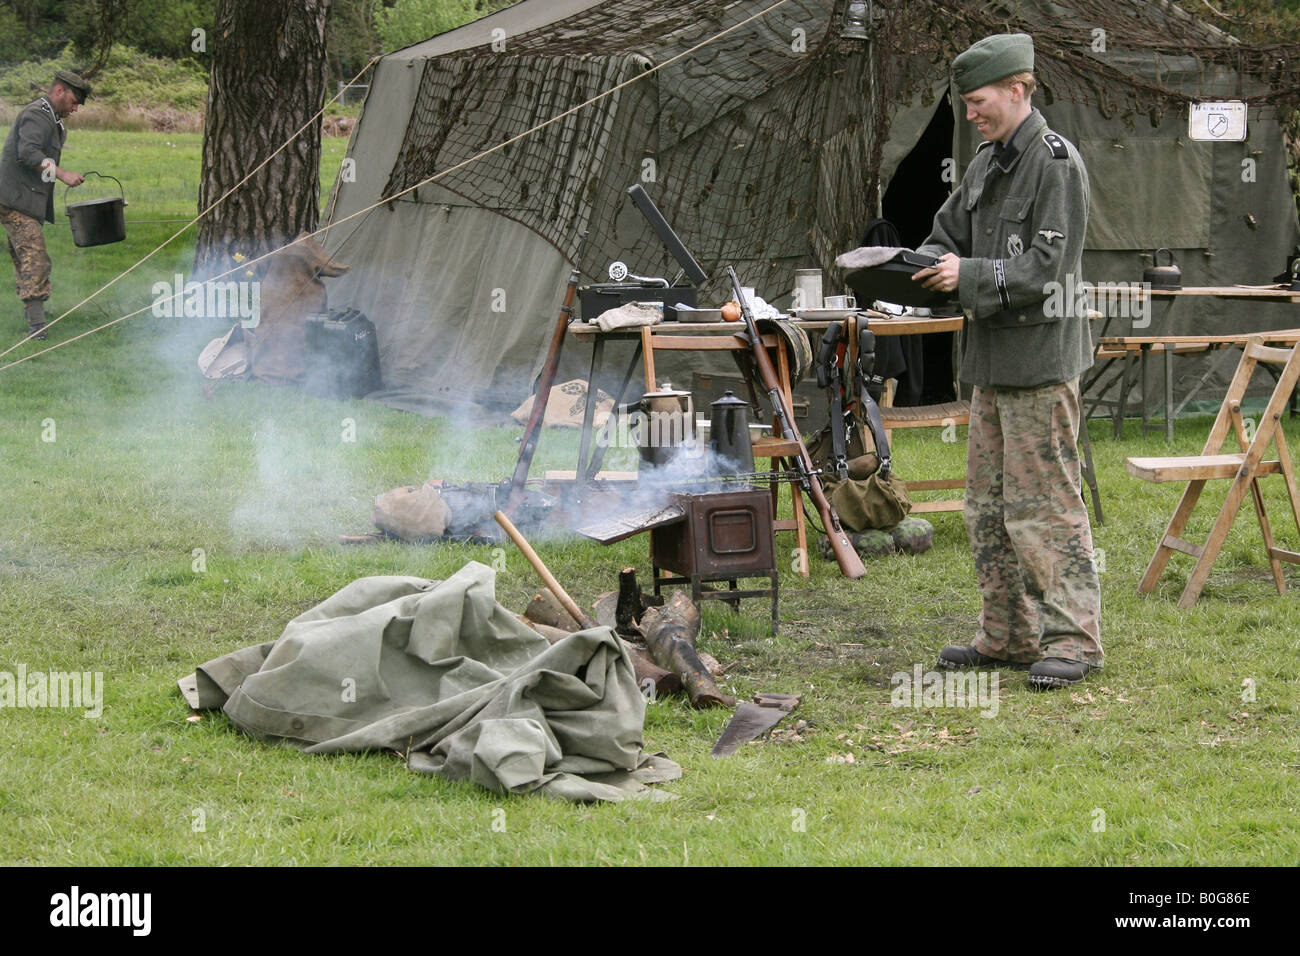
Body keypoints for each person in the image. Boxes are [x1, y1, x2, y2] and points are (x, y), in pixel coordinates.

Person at [910, 33, 1102, 689]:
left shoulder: (1055, 165)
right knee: (987, 511)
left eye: (978, 101)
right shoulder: (986, 164)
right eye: (966, 103)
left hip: (1040, 364)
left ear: (1018, 89)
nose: (970, 114)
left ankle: (1074, 642)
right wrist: (905, 269)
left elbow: (1047, 269)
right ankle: (1009, 635)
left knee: (1044, 506)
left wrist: (965, 274)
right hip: (990, 365)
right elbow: (947, 235)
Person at [0, 69, 90, 340]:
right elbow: (27, 153)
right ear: (59, 91)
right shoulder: (37, 114)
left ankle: (34, 313)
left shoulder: (52, 119)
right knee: (35, 258)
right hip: (16, 200)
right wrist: (62, 174)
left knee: (23, 256)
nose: (76, 108)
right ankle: (37, 328)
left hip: (22, 198)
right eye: (74, 101)